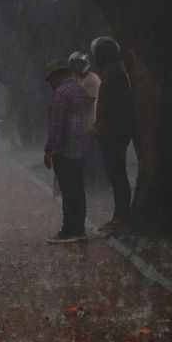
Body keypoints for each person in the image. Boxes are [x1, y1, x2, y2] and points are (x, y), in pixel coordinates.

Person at [43, 59, 92, 243]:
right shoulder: (80, 90)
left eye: (50, 79)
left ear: (57, 77)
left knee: (68, 191)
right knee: (78, 190)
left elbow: (56, 126)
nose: (50, 83)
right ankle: (79, 228)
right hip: (81, 147)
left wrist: (48, 150)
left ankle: (69, 230)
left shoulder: (61, 94)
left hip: (65, 150)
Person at [91, 37, 134, 234]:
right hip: (110, 133)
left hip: (113, 135)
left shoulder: (116, 78)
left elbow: (118, 111)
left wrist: (105, 130)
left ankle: (121, 218)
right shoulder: (115, 75)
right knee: (115, 177)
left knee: (118, 177)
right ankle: (119, 217)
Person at [68, 51, 104, 189]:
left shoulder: (92, 79)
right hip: (79, 125)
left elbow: (88, 102)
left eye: (79, 64)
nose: (77, 67)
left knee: (90, 157)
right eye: (74, 65)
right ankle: (85, 182)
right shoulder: (77, 79)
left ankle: (92, 183)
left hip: (90, 124)